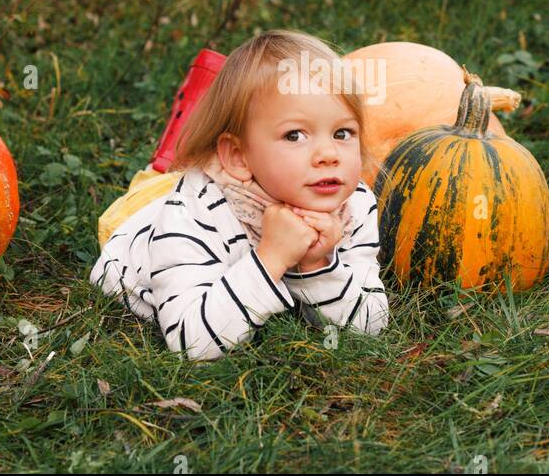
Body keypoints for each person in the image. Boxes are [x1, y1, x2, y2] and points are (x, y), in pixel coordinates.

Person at [89, 29, 389, 361]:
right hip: (139, 226)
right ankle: (185, 120)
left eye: (342, 132)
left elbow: (371, 323)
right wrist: (270, 259)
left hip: (229, 182)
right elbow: (191, 341)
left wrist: (316, 265)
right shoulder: (193, 212)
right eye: (294, 135)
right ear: (238, 156)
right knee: (152, 182)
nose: (328, 154)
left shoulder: (354, 206)